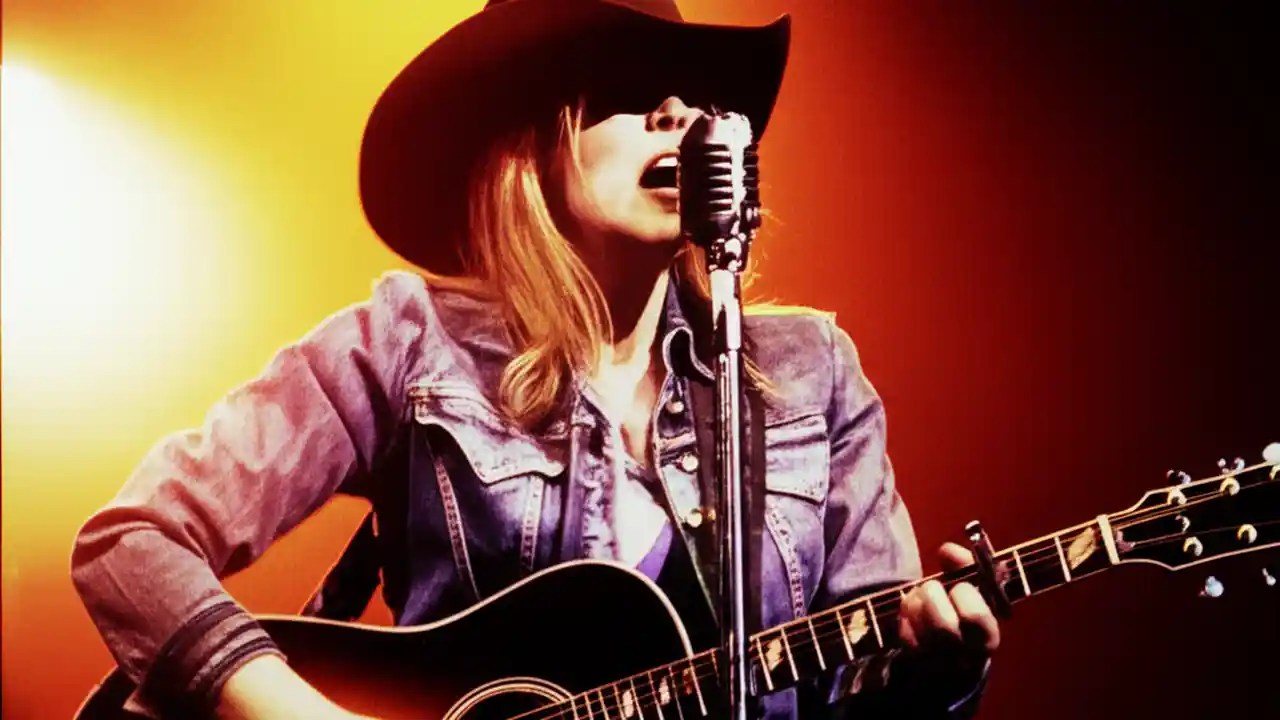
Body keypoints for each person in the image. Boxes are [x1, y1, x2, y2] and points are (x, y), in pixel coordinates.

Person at [71, 1, 1000, 718]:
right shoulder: (407, 342)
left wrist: (937, 669)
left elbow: (869, 687)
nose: (678, 110)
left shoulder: (812, 372)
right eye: (629, 84)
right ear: (527, 138)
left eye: (691, 89)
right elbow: (130, 545)